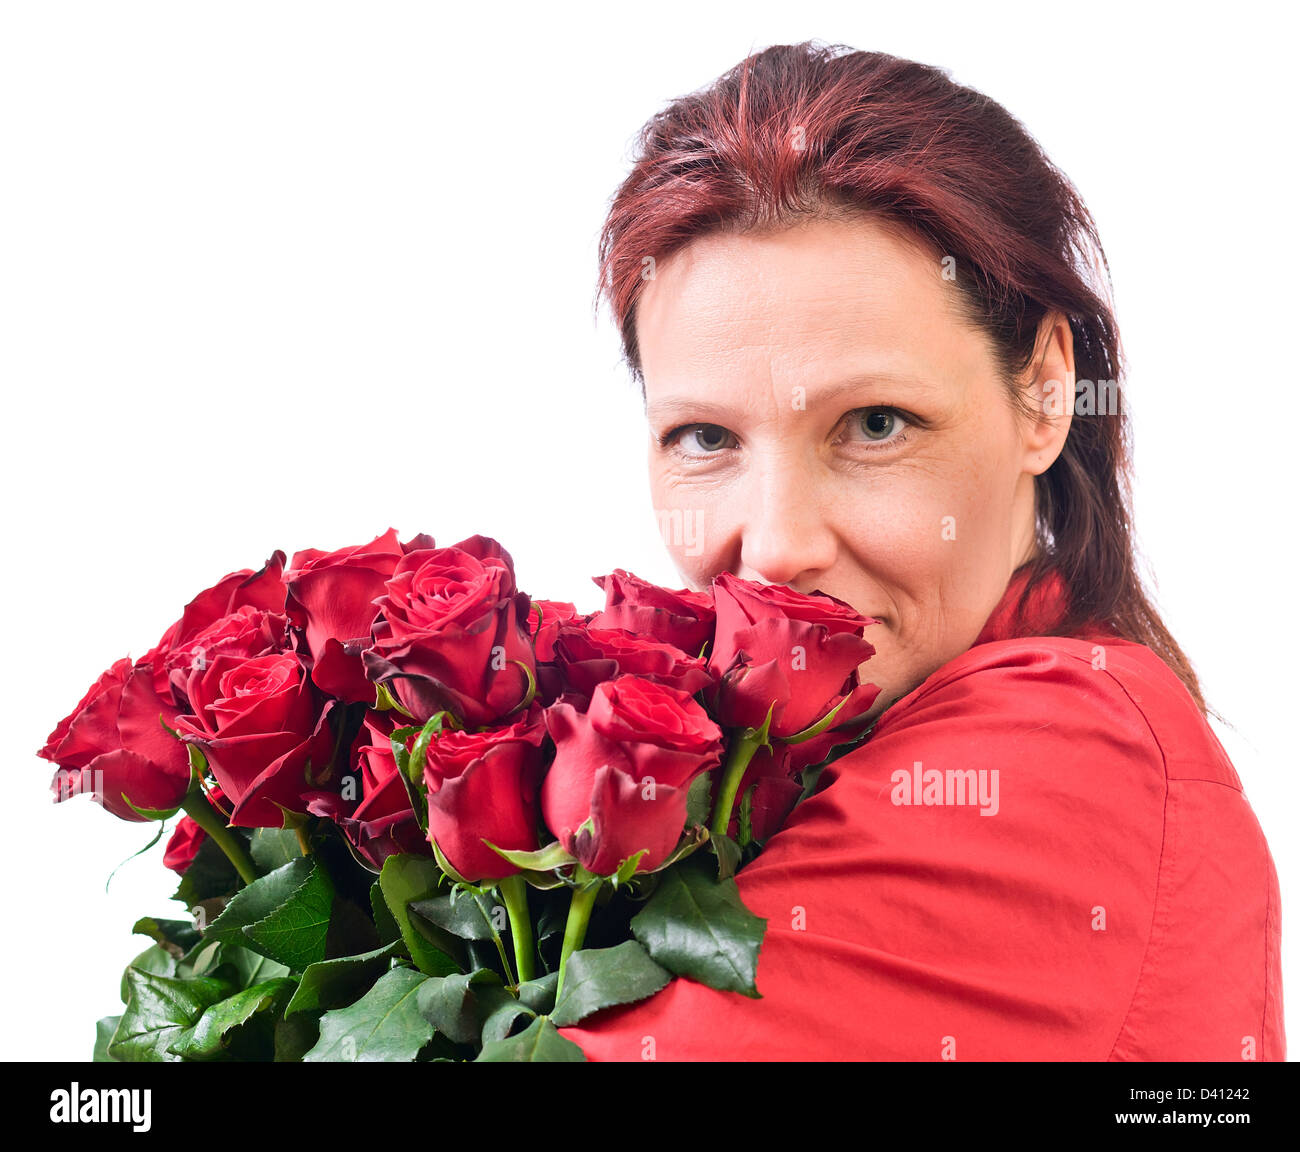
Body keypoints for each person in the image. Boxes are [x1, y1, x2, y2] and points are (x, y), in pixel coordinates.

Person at [558, 41, 1284, 1060]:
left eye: (875, 425)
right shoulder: (823, 756)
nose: (774, 549)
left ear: (1042, 395)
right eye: (706, 438)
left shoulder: (1062, 757)